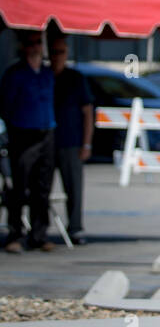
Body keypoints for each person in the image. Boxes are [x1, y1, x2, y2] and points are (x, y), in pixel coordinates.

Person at [0, 32, 57, 252]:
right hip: (23, 133)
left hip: (47, 132)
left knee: (42, 187)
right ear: (23, 47)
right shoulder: (15, 74)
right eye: (31, 44)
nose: (35, 48)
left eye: (38, 44)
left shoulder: (47, 73)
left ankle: (39, 235)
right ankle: (15, 233)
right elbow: (5, 104)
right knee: (19, 187)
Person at [49, 35, 94, 244]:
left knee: (74, 187)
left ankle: (75, 228)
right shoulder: (45, 76)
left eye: (61, 52)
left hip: (71, 141)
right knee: (41, 188)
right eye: (54, 52)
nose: (57, 56)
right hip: (46, 142)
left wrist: (86, 143)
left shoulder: (75, 78)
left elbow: (88, 112)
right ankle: (39, 230)